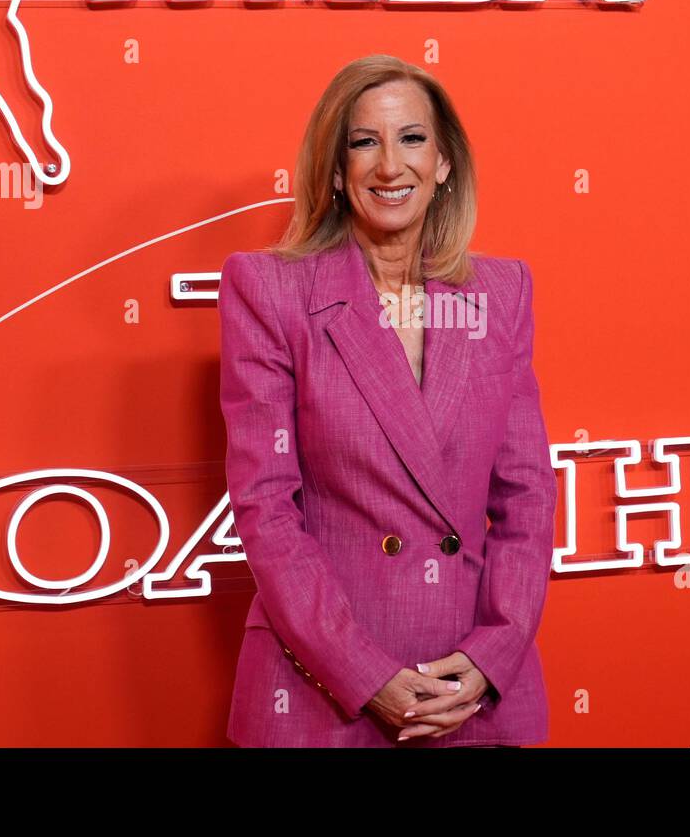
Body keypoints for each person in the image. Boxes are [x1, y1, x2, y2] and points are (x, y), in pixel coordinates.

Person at [218, 54, 556, 747]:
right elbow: (265, 508)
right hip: (324, 690)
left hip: (471, 690)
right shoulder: (269, 290)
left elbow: (527, 497)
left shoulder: (499, 293)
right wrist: (366, 674)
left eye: (411, 140)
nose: (389, 166)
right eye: (363, 142)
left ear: (444, 164)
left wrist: (488, 659)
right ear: (337, 172)